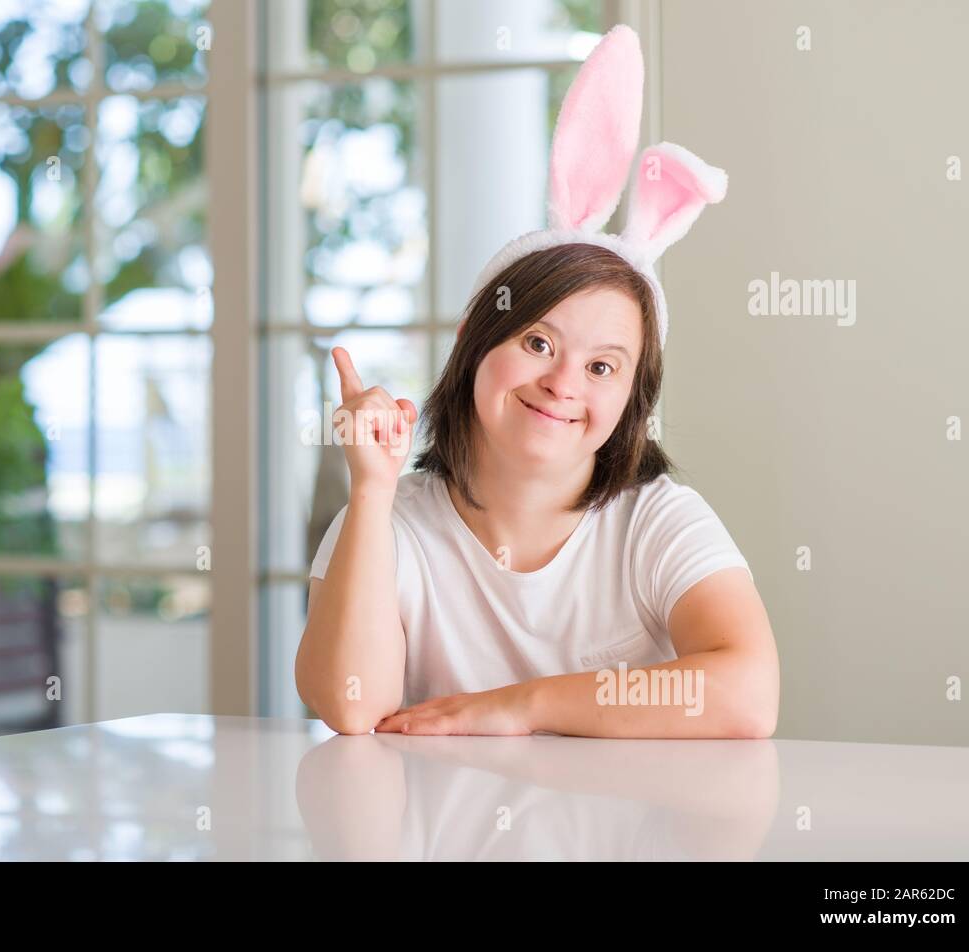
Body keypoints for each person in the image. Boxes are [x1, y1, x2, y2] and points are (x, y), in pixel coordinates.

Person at [294, 25, 778, 738]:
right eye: (538, 341)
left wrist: (520, 706)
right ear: (472, 342)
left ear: (633, 400)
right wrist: (370, 489)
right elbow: (351, 704)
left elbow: (747, 695)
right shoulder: (386, 526)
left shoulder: (654, 520)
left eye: (602, 367)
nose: (563, 382)